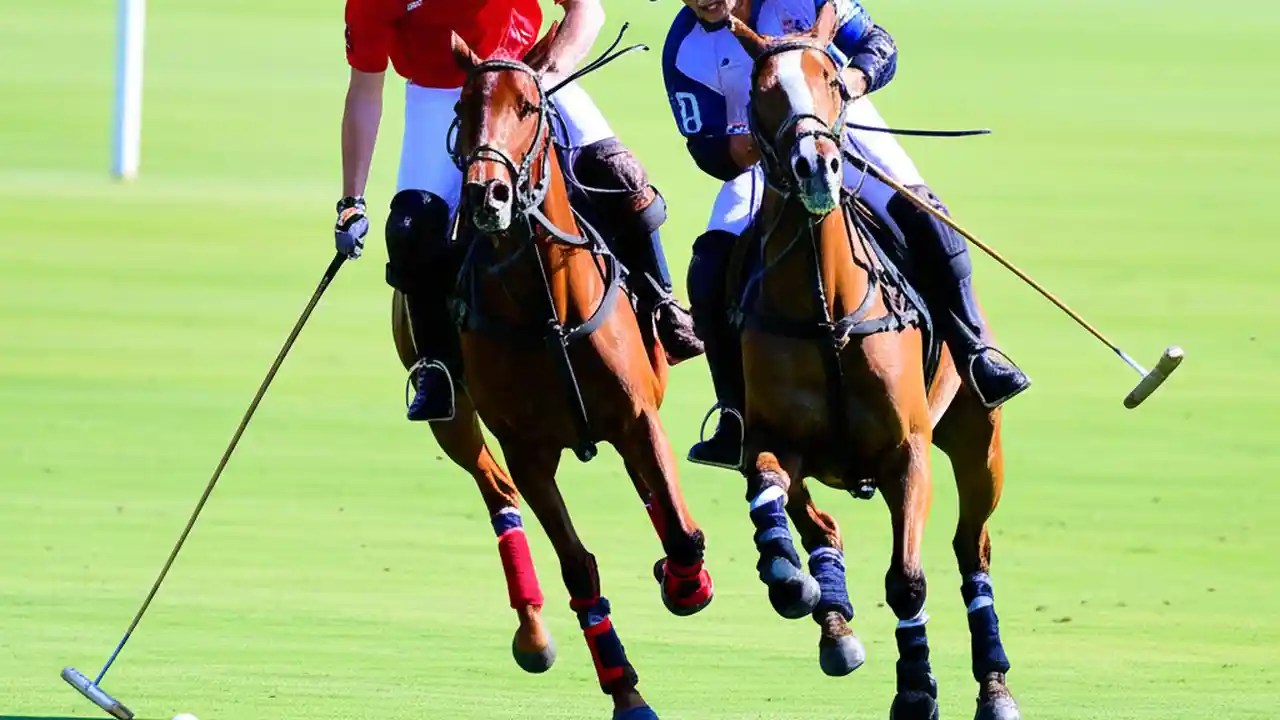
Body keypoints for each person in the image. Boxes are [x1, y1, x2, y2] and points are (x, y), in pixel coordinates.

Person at [663, 0, 1031, 468]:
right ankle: (734, 414)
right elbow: (711, 151)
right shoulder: (685, 48)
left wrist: (849, 83)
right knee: (709, 268)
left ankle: (975, 352)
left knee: (930, 221)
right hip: (764, 163)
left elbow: (881, 45)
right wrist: (781, 131)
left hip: (846, 133)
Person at [335, 0, 703, 423]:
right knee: (411, 227)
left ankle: (662, 306)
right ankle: (435, 367)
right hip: (440, 96)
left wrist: (547, 70)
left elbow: (586, 11)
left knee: (619, 174)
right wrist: (352, 201)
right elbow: (365, 87)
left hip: (526, 75)